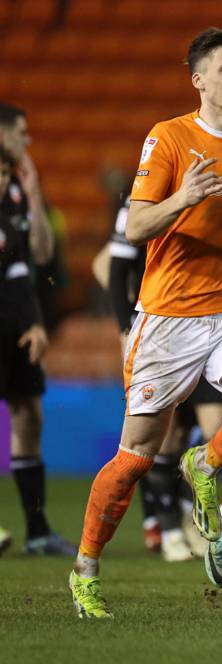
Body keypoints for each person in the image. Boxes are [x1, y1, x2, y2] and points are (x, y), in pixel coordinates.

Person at [69, 28, 222, 619]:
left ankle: (203, 462)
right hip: (167, 319)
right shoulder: (170, 138)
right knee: (133, 459)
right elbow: (135, 229)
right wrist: (183, 198)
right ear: (199, 79)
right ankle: (85, 570)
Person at [100, 190, 222, 562]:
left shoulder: (220, 187)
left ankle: (191, 515)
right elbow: (116, 265)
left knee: (216, 427)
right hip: (162, 326)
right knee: (165, 433)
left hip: (212, 320)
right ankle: (169, 526)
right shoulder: (141, 199)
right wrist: (125, 325)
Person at [0, 103, 70, 556]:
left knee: (29, 416)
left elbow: (40, 256)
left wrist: (35, 190)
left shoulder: (18, 190)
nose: (27, 141)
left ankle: (38, 530)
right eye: (20, 133)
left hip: (19, 325)